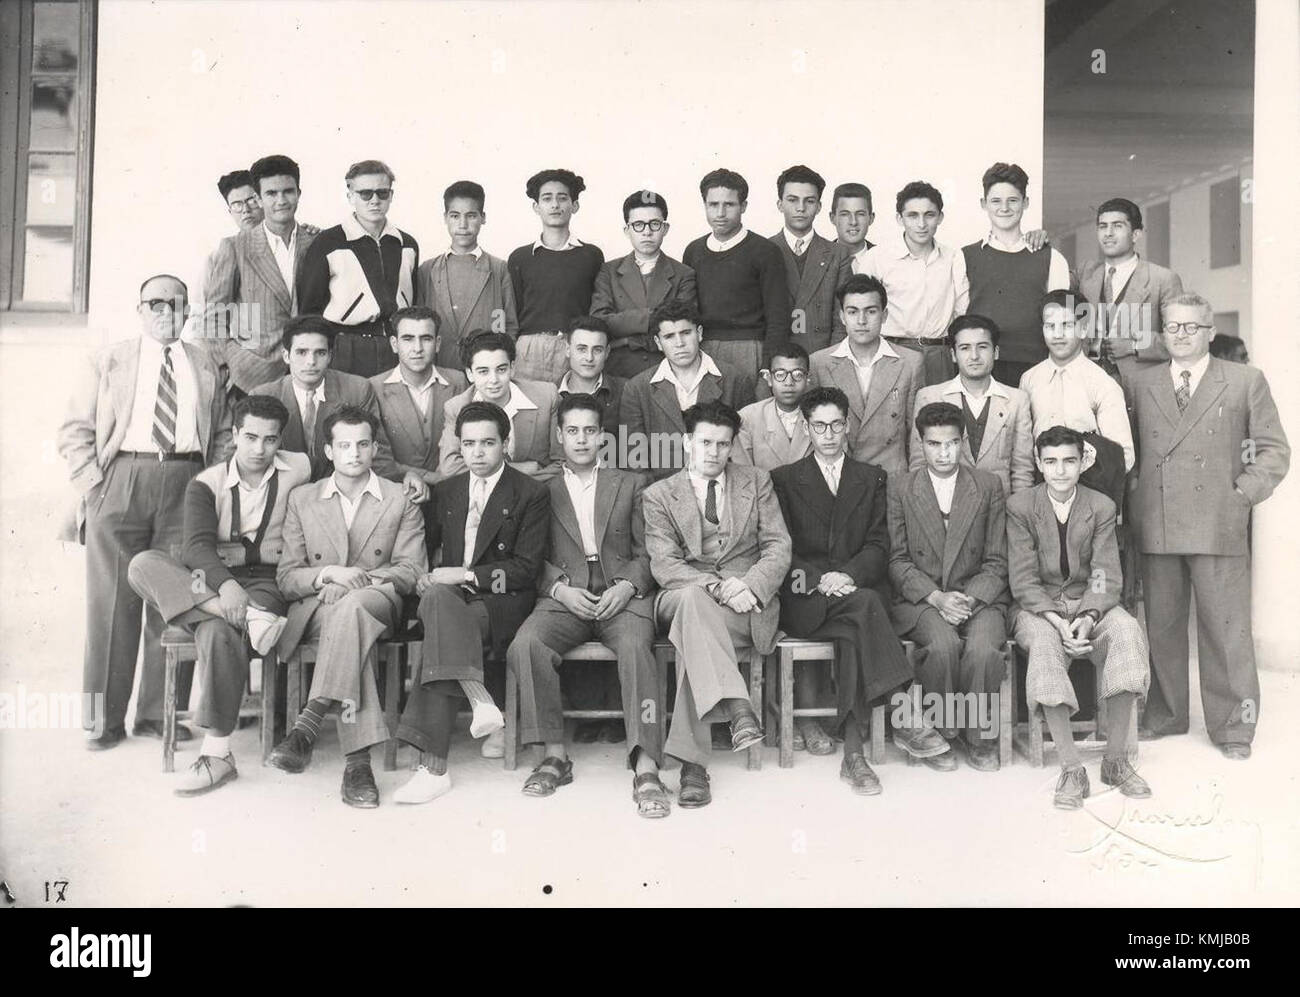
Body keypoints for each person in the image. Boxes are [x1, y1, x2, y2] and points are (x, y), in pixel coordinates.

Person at [57, 274, 232, 750]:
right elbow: (75, 429)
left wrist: (211, 482)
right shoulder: (108, 359)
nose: (166, 312)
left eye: (176, 304)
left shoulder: (208, 363)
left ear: (188, 311)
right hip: (122, 481)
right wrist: (94, 488)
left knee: (175, 598)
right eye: (155, 303)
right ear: (139, 309)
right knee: (109, 605)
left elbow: (220, 433)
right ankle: (103, 721)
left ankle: (159, 714)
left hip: (186, 481)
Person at [1131, 293, 1290, 759]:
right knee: (1161, 626)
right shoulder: (1140, 383)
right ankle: (1165, 714)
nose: (1181, 335)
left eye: (1191, 327)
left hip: (1218, 521)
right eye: (1173, 327)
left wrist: (1241, 493)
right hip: (1157, 520)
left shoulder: (1244, 381)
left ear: (1209, 332)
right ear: (1163, 332)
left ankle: (1234, 729)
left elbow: (1274, 450)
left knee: (1226, 629)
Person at [127, 395, 310, 794]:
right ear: (233, 435)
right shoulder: (207, 483)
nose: (259, 449)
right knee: (142, 564)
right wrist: (225, 589)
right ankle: (242, 617)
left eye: (270, 440)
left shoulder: (301, 467)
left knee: (214, 632)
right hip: (211, 581)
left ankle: (217, 753)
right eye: (250, 437)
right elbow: (196, 547)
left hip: (268, 581)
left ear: (281, 441)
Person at [772, 386, 949, 792]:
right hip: (806, 597)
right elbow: (781, 547)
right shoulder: (783, 479)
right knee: (865, 607)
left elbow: (879, 543)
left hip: (856, 593)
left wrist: (847, 575)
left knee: (856, 627)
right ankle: (904, 714)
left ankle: (854, 756)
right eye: (820, 426)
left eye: (837, 424)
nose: (830, 434)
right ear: (806, 427)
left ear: (848, 424)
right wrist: (821, 581)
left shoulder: (871, 478)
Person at [506, 393, 668, 815]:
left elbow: (650, 552)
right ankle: (555, 754)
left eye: (590, 431)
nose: (581, 440)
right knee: (527, 645)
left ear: (602, 437)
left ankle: (646, 765)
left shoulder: (631, 483)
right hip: (564, 595)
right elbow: (526, 557)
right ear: (559, 435)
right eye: (572, 431)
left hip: (620, 593)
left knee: (636, 648)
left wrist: (628, 587)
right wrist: (558, 589)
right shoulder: (538, 488)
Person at [389, 402, 551, 800]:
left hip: (500, 599)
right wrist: (426, 575)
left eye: (488, 443)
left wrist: (464, 575)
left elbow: (525, 569)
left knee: (441, 619)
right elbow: (421, 550)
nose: (478, 452)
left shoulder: (530, 493)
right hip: (446, 599)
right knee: (438, 601)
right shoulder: (446, 491)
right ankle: (480, 703)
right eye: (469, 444)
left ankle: (434, 764)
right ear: (458, 446)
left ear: (506, 444)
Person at [642, 401, 791, 808]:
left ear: (733, 446)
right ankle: (738, 706)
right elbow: (665, 564)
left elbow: (778, 545)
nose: (714, 452)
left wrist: (752, 586)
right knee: (693, 603)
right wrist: (716, 586)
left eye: (723, 445)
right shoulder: (659, 494)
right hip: (684, 593)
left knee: (697, 634)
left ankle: (693, 768)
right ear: (687, 441)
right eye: (705, 442)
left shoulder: (756, 482)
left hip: (745, 603)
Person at [1007, 425, 1152, 808]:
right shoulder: (1020, 507)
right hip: (1039, 609)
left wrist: (1087, 616)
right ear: (1038, 463)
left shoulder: (1101, 506)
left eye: (1069, 461)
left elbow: (1104, 572)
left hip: (1090, 602)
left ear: (1082, 462)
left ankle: (1116, 760)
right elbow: (1023, 579)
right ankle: (1071, 768)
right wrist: (1057, 622)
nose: (1060, 471)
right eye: (1051, 462)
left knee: (1126, 631)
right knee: (1044, 645)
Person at [887, 402, 1009, 771]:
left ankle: (980, 739)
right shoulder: (901, 486)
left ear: (964, 441)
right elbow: (897, 558)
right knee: (941, 647)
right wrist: (937, 597)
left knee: (985, 650)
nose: (944, 453)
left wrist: (968, 599)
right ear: (920, 443)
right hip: (923, 598)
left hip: (978, 596)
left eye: (952, 443)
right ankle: (941, 733)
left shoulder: (987, 485)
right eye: (935, 444)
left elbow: (997, 558)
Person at [204, 154, 319, 395]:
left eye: (288, 191)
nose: (281, 200)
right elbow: (214, 316)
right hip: (255, 374)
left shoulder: (319, 242)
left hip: (313, 369)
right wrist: (233, 360)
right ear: (258, 198)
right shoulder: (235, 246)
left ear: (299, 193)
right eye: (271, 193)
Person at [297, 159, 419, 377]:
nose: (374, 201)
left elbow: (414, 301)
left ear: (391, 196)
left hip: (395, 347)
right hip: (345, 348)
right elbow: (309, 309)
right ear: (350, 196)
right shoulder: (327, 243)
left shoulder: (406, 244)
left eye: (382, 193)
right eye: (365, 194)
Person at [959, 163, 1071, 387]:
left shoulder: (1051, 258)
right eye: (996, 201)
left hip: (1036, 365)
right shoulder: (965, 257)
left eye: (1013, 200)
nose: (1004, 208)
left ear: (1025, 202)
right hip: (981, 367)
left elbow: (1062, 319)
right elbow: (959, 315)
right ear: (984, 204)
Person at [619, 300, 755, 479]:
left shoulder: (734, 379)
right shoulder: (637, 388)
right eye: (669, 337)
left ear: (699, 333)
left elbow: (745, 449)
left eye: (685, 333)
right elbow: (634, 461)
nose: (679, 343)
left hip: (722, 487)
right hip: (664, 495)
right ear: (658, 342)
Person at [250, 316, 394, 481]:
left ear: (330, 356)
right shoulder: (263, 396)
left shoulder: (357, 390)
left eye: (320, 353)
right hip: (284, 490)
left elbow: (379, 455)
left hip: (341, 491)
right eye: (301, 352)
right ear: (286, 355)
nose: (311, 362)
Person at [1020, 291, 1134, 493]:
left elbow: (1122, 455)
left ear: (1083, 330)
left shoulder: (1102, 383)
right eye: (1050, 326)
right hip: (1039, 489)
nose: (1057, 334)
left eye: (1067, 325)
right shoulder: (1029, 379)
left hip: (1088, 489)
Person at [808, 274, 922, 475]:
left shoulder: (910, 362)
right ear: (842, 316)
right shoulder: (819, 362)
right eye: (853, 312)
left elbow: (916, 434)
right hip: (840, 477)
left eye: (870, 311)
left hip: (891, 477)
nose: (861, 320)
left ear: (884, 315)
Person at [682, 168, 792, 374]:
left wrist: (769, 367)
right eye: (713, 205)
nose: (720, 213)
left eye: (729, 204)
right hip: (703, 350)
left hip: (749, 349)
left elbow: (777, 317)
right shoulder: (693, 251)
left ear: (743, 206)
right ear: (704, 205)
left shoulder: (765, 251)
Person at [858, 181, 968, 386]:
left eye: (929, 215)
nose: (921, 224)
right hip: (893, 351)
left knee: (938, 414)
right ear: (900, 218)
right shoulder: (878, 257)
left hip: (938, 354)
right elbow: (861, 307)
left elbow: (961, 311)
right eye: (912, 215)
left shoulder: (953, 257)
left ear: (940, 217)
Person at [910, 314, 1034, 495]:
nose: (974, 356)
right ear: (953, 354)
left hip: (999, 507)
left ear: (996, 352)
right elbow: (919, 464)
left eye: (982, 347)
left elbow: (1022, 469)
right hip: (945, 507)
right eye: (965, 348)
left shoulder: (1017, 400)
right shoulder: (929, 397)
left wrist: (1018, 515)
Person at [1077, 197, 1184, 398]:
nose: (1108, 233)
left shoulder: (1163, 279)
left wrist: (1134, 346)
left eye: (1117, 226)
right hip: (1088, 384)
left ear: (1136, 234)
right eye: (1102, 226)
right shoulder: (1085, 273)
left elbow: (1180, 338)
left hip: (1140, 390)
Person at [507, 168, 604, 382]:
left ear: (574, 205)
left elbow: (596, 307)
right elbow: (512, 309)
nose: (555, 205)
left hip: (574, 346)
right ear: (536, 206)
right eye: (547, 198)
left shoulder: (591, 255)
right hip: (529, 349)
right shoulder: (520, 257)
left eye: (562, 198)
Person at [591, 190, 698, 378]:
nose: (647, 232)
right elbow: (600, 321)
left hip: (667, 369)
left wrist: (626, 338)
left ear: (665, 228)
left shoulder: (683, 274)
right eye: (638, 225)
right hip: (619, 369)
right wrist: (652, 317)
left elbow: (681, 325)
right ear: (627, 230)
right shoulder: (608, 271)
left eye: (654, 224)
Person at [413, 180, 518, 370]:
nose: (463, 224)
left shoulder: (498, 269)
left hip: (483, 371)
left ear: (483, 217)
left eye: (471, 216)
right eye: (455, 216)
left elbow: (504, 324)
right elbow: (419, 325)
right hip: (439, 368)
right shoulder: (427, 270)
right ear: (445, 218)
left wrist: (496, 364)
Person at [369, 306, 468, 504]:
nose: (417, 348)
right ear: (394, 344)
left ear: (438, 343)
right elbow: (378, 456)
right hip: (399, 491)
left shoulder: (458, 381)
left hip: (453, 490)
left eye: (426, 338)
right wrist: (427, 477)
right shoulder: (373, 387)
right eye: (408, 339)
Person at [438, 331, 563, 481]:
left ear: (513, 368)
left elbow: (562, 462)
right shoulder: (456, 407)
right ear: (470, 374)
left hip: (539, 489)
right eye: (483, 371)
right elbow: (450, 467)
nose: (494, 380)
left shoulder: (546, 396)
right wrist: (517, 470)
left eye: (501, 369)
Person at [768, 165, 853, 353]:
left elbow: (842, 319)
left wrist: (832, 359)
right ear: (780, 204)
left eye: (809, 201)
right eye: (792, 200)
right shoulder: (763, 250)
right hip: (777, 356)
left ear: (819, 207)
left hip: (820, 355)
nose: (801, 208)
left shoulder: (838, 254)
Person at [732, 343, 813, 470]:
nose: (789, 382)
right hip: (761, 489)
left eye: (797, 374)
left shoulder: (820, 417)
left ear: (807, 379)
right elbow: (744, 475)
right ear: (769, 378)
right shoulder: (747, 418)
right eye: (780, 375)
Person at [557, 316, 624, 445]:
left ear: (607, 352)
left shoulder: (626, 391)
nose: (589, 357)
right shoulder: (551, 394)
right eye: (582, 349)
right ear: (567, 349)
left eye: (597, 350)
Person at [830, 181, 876, 272]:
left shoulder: (884, 259)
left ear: (871, 218)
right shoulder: (817, 259)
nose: (853, 222)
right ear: (833, 218)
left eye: (860, 214)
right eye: (845, 214)